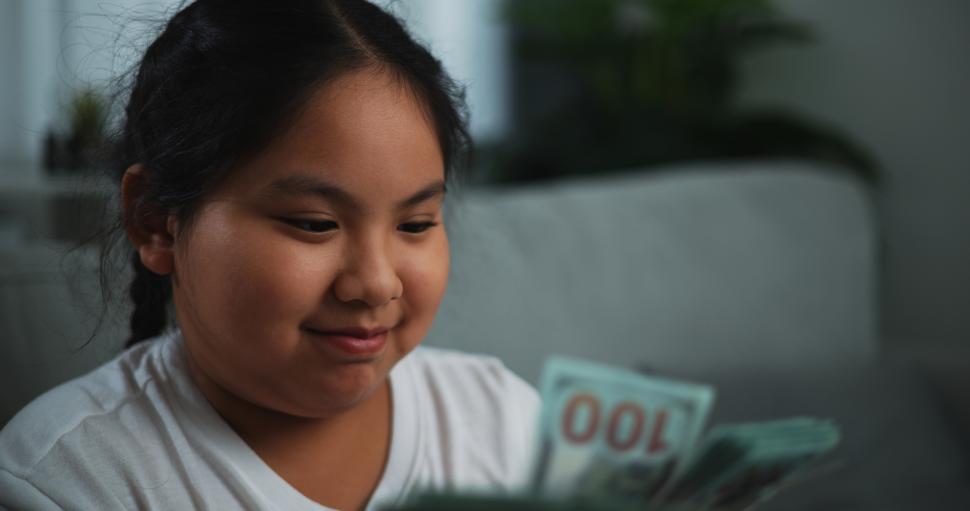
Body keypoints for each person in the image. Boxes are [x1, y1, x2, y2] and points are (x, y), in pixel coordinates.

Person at [0, 1, 540, 509]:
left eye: (415, 224)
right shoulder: (68, 480)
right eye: (315, 224)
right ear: (156, 221)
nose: (377, 284)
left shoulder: (504, 422)